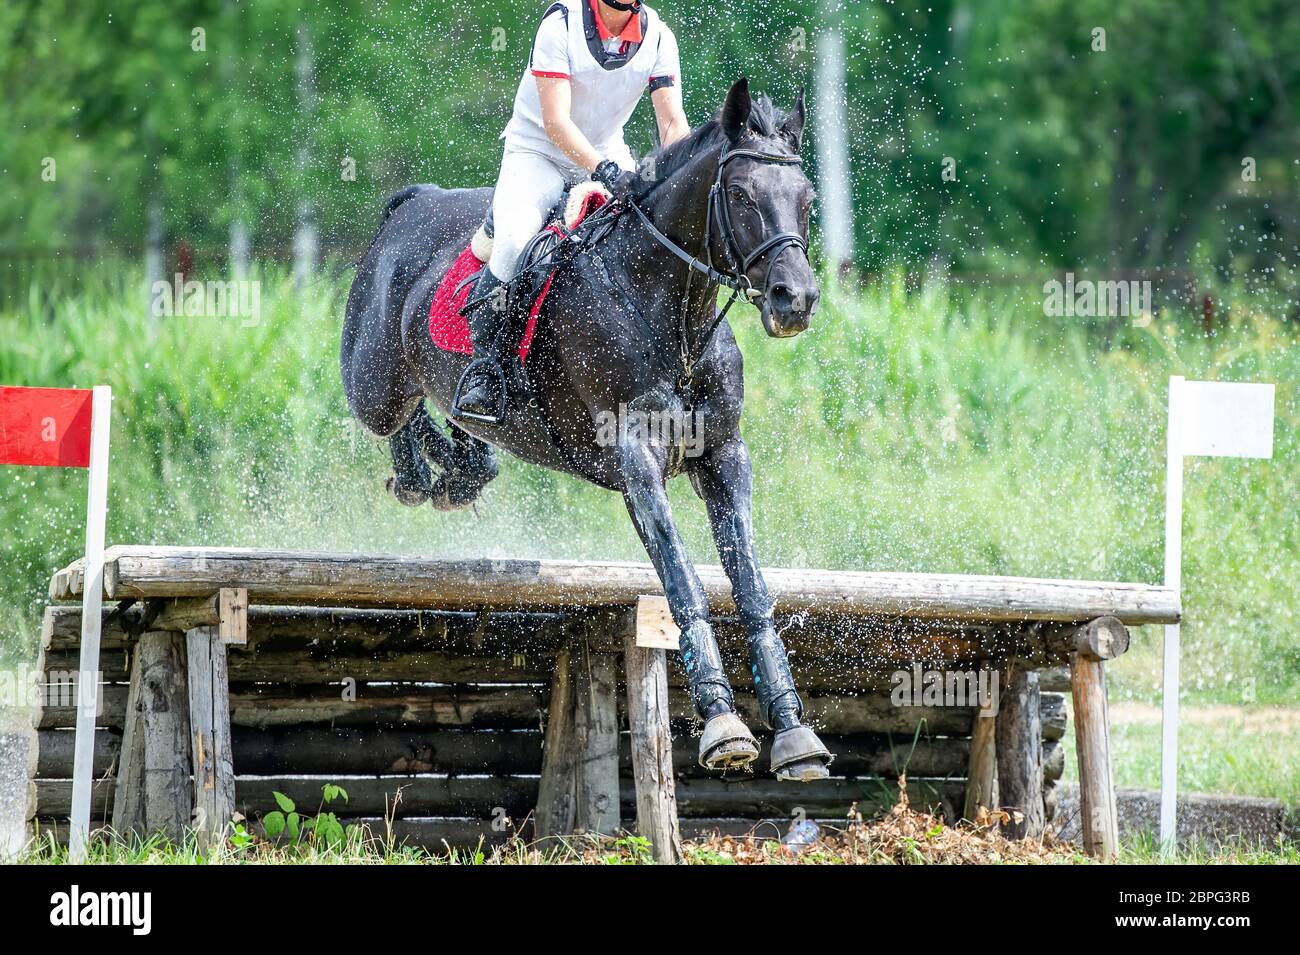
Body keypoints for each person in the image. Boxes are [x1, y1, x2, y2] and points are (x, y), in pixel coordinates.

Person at [453, 0, 690, 423]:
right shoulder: (559, 24)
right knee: (512, 243)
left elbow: (672, 124)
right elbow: (556, 122)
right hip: (537, 152)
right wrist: (603, 170)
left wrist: (680, 175)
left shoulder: (659, 36)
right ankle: (486, 370)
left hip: (607, 153)